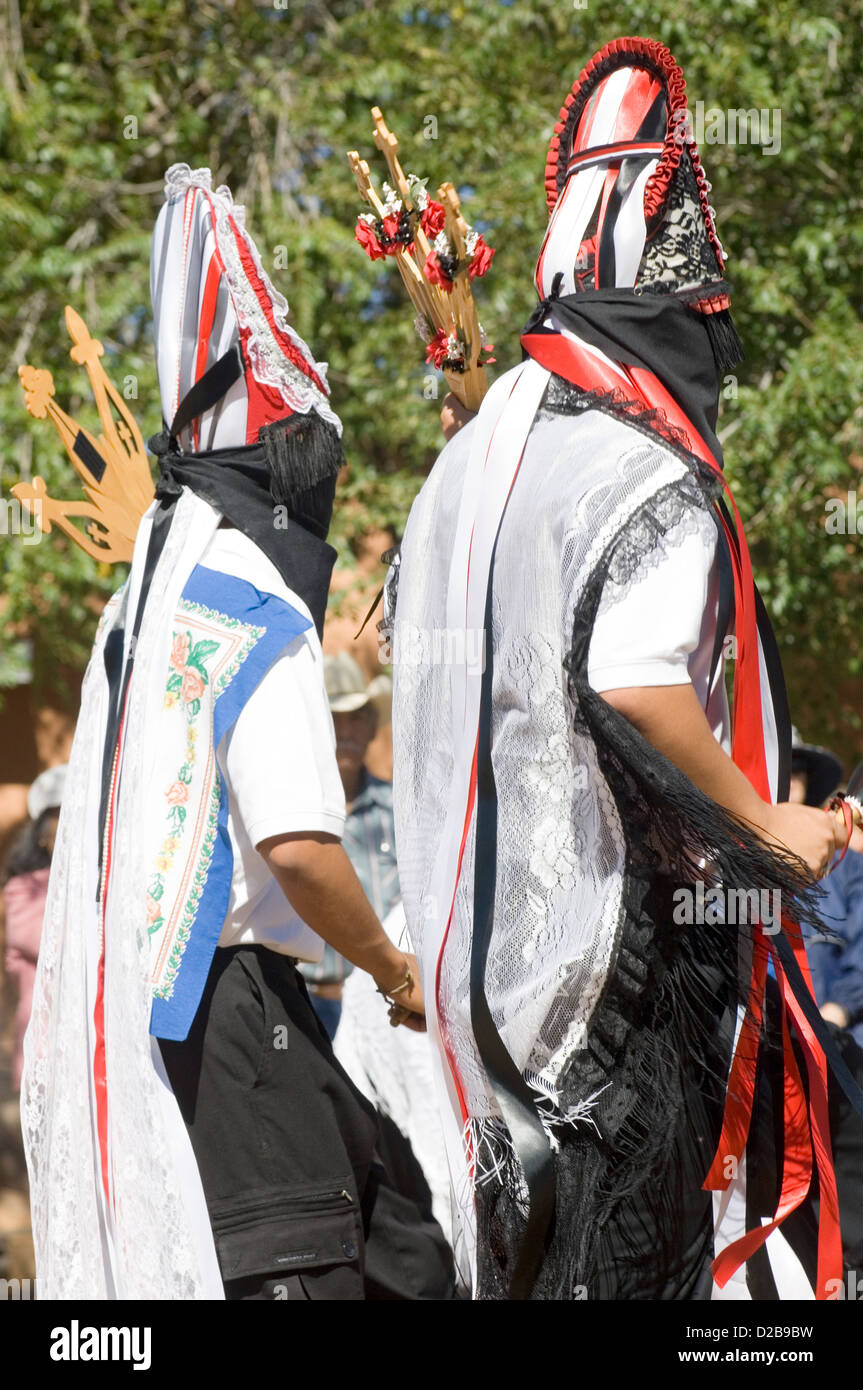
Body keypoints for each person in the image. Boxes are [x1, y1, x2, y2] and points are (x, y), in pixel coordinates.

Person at [388, 38, 849, 1300]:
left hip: (481, 1023)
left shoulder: (467, 461)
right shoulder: (641, 466)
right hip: (609, 1008)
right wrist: (769, 828)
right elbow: (637, 677)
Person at [21, 164, 453, 1301]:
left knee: (405, 1243)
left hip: (165, 1025)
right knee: (363, 1269)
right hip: (239, 1023)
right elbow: (301, 847)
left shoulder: (143, 600)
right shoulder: (249, 604)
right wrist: (395, 969)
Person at [299, 653, 398, 1039]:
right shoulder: (297, 816)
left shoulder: (398, 813)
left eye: (357, 717)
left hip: (384, 1009)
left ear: (373, 727)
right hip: (308, 1006)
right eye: (334, 718)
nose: (346, 731)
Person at [2, 766, 66, 1092]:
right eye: (61, 817)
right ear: (42, 832)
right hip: (45, 1045)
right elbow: (49, 943)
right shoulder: (21, 889)